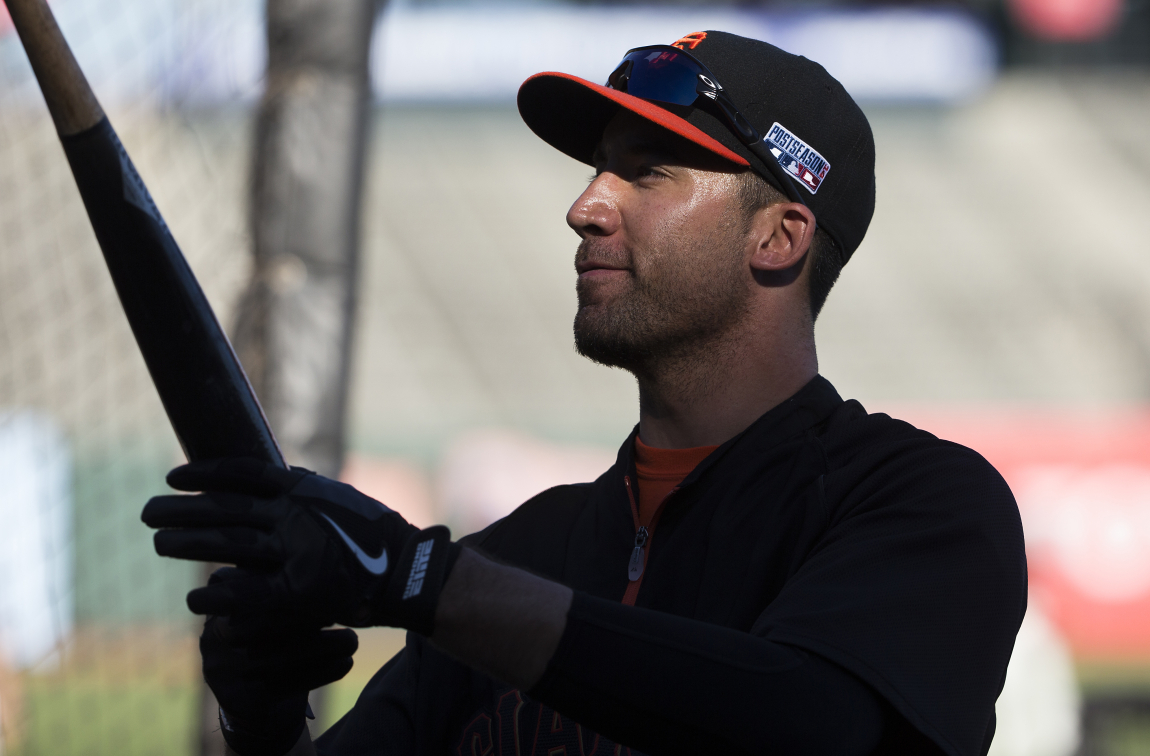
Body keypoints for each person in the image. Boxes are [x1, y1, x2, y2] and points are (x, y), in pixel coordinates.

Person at [143, 31, 1027, 756]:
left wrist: (421, 579)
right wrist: (261, 725)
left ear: (780, 236)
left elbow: (815, 727)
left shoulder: (920, 501)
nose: (586, 205)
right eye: (598, 167)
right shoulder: (528, 551)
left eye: (646, 172)